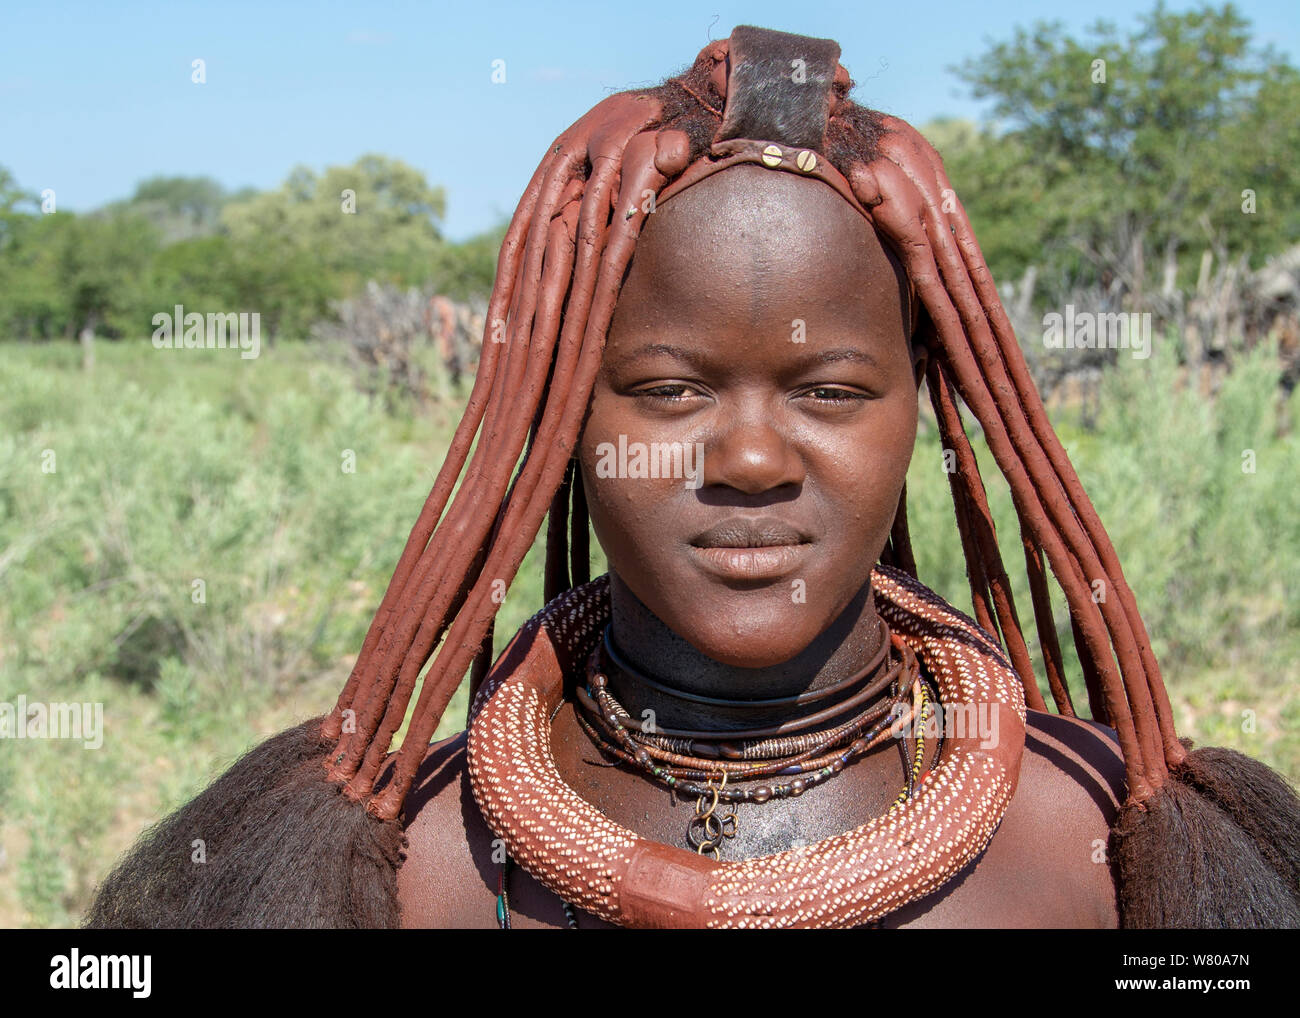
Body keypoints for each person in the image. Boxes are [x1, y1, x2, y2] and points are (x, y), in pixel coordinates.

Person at [86, 25, 1300, 930]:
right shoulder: (420, 868)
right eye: (668, 391)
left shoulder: (1087, 849)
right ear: (567, 414)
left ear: (919, 405)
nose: (754, 462)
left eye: (829, 391)